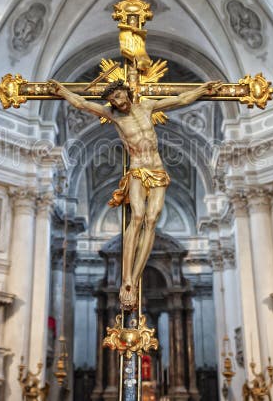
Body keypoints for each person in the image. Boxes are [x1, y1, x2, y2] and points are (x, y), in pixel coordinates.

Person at [48, 78, 220, 308]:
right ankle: (127, 278)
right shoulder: (114, 116)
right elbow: (81, 103)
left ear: (126, 92)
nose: (118, 102)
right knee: (137, 217)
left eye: (119, 96)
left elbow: (179, 99)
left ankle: (135, 275)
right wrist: (62, 91)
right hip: (138, 170)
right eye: (113, 101)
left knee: (151, 220)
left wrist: (202, 89)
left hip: (158, 170)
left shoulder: (147, 106)